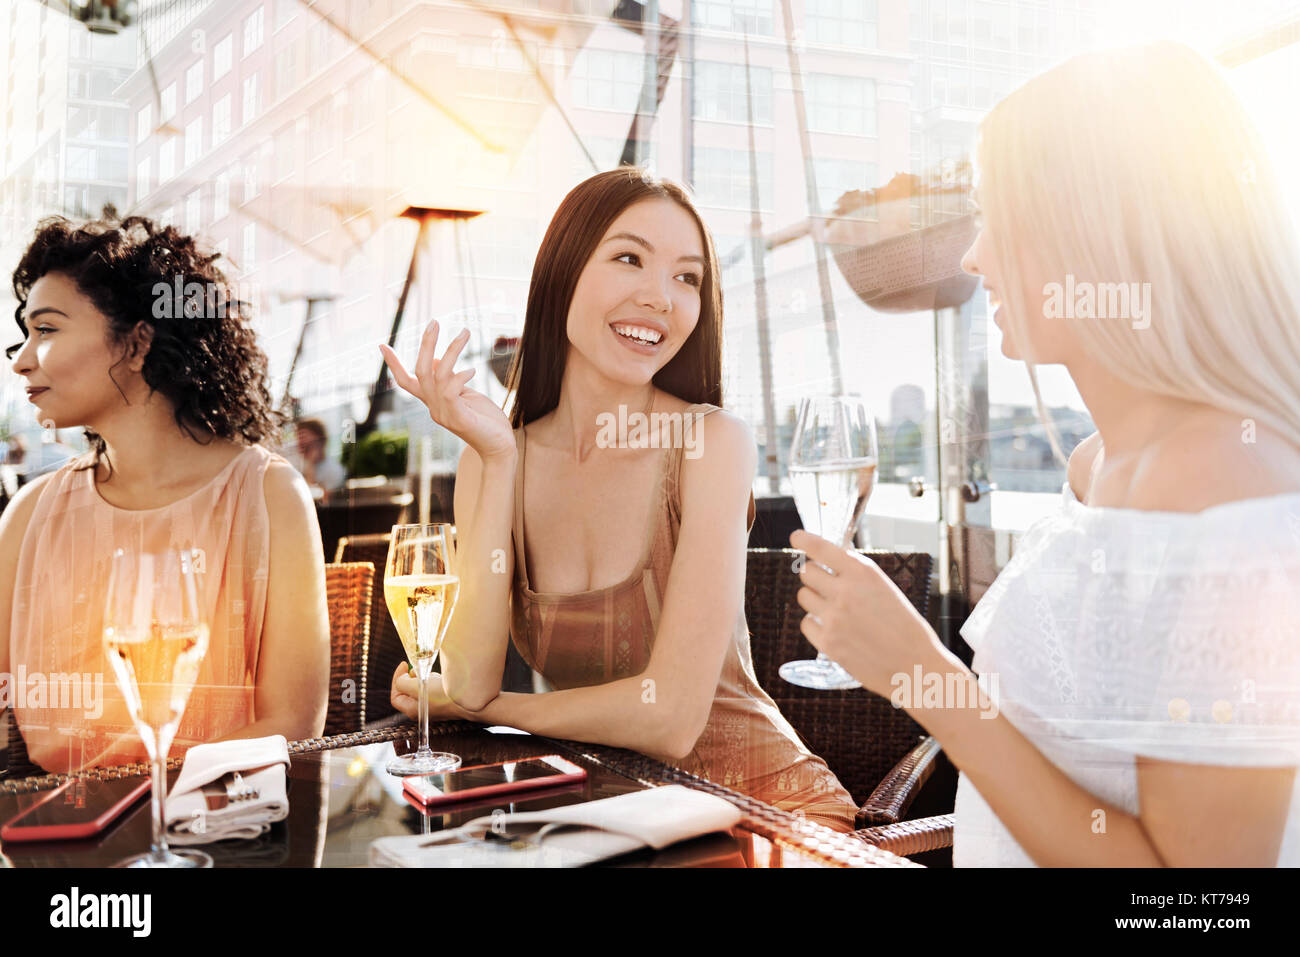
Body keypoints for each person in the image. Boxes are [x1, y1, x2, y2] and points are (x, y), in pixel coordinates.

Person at [791, 42, 1300, 865]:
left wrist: (923, 673)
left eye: (1000, 219)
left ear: (1103, 231)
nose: (972, 256)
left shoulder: (1222, 484)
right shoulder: (1096, 468)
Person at [379, 167, 860, 831]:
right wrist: (496, 459)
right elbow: (467, 678)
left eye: (686, 277)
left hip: (769, 815)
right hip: (624, 817)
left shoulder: (711, 443)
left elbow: (669, 720)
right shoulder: (492, 457)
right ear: (563, 272)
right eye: (629, 258)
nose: (660, 296)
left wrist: (495, 711)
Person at [0, 214, 331, 774]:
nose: (21, 359)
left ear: (136, 343)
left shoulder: (268, 496)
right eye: (25, 334)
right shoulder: (30, 515)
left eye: (48, 330)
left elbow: (293, 725)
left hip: (218, 836)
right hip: (58, 839)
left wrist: (152, 815)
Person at [291, 417, 346, 503]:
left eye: (303, 437)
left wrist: (311, 465)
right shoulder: (295, 465)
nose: (299, 443)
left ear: (320, 440)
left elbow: (323, 502)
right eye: (298, 438)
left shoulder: (333, 470)